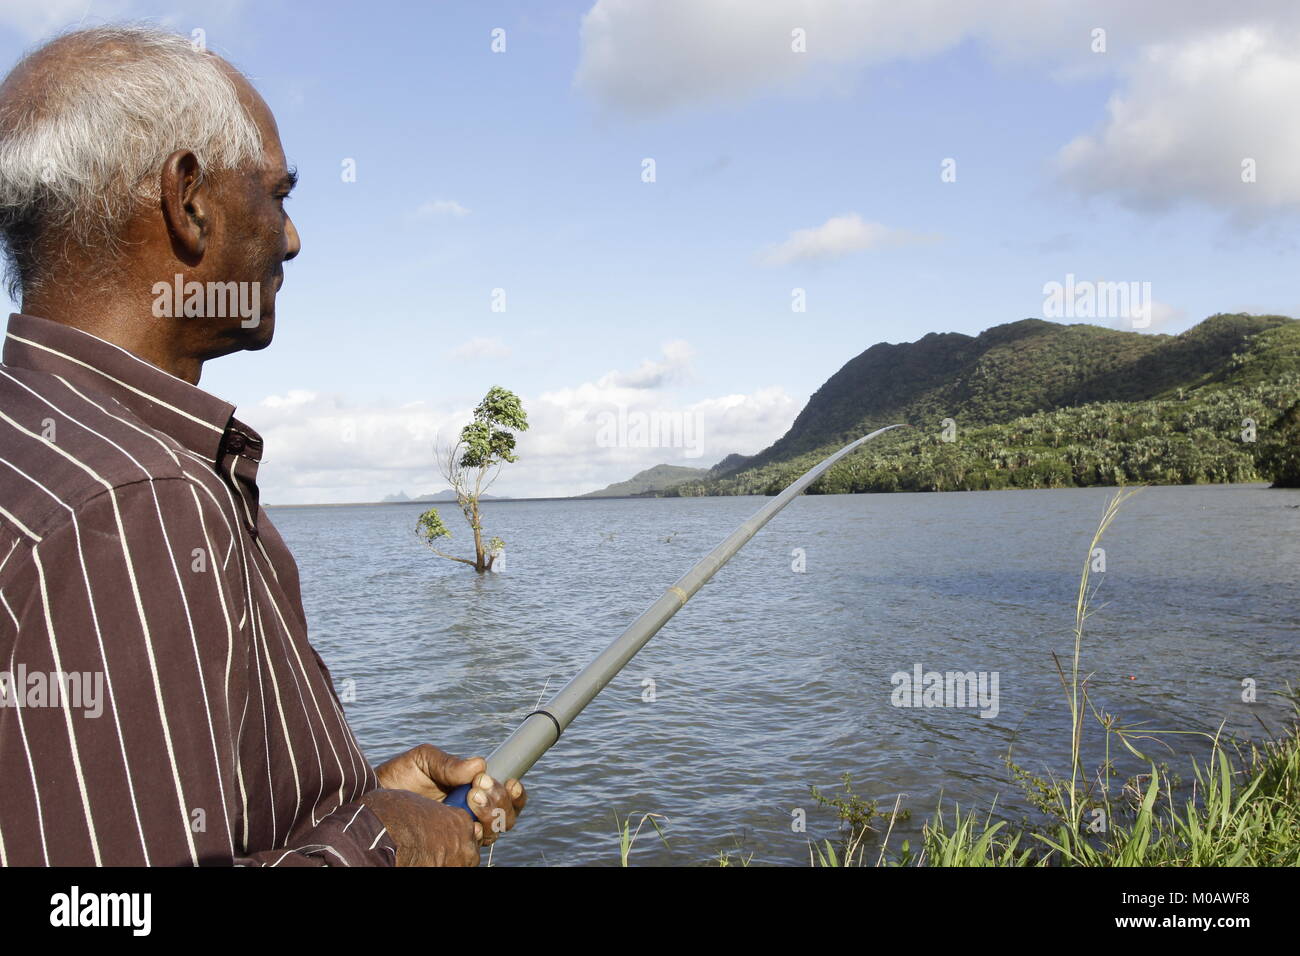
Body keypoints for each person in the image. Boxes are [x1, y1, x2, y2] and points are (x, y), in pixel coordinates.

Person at [0, 25, 524, 866]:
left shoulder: (38, 447)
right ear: (189, 200)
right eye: (278, 195)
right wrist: (383, 846)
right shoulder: (134, 506)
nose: (291, 238)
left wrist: (352, 796)